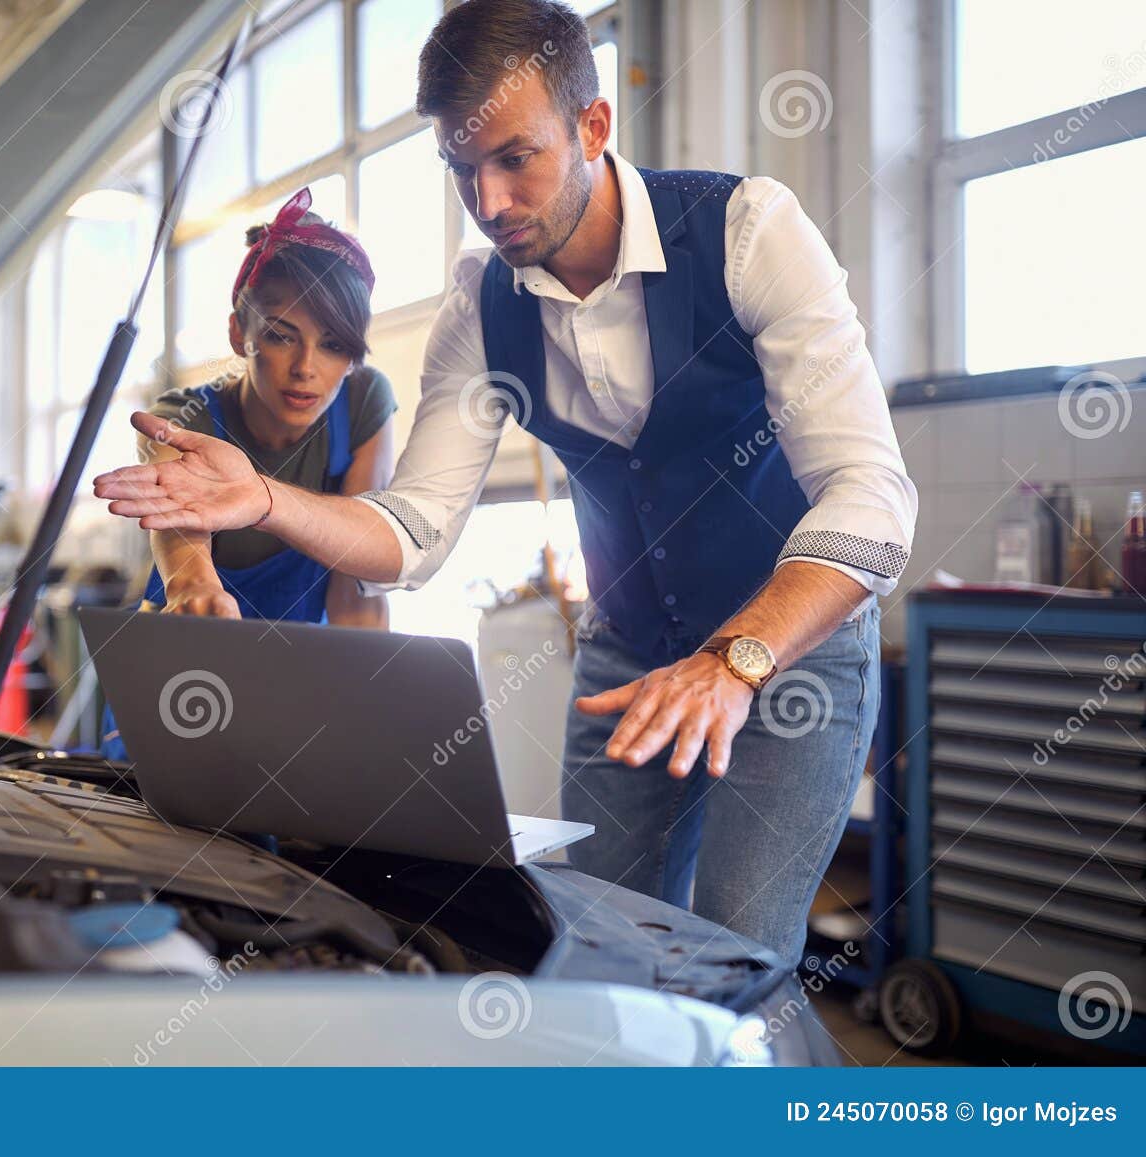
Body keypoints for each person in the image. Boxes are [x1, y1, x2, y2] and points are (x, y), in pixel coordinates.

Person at [94, 0, 916, 965]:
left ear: (593, 128)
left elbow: (872, 496)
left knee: (736, 956)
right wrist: (267, 499)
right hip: (629, 657)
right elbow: (418, 529)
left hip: (790, 648)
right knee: (595, 944)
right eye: (461, 167)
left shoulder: (747, 232)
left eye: (515, 158)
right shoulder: (481, 306)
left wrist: (736, 659)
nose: (487, 200)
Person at [98, 187, 396, 759]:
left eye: (333, 345)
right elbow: (187, 571)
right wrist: (196, 587)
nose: (307, 369)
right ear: (240, 333)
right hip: (179, 679)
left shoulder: (362, 405)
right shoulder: (180, 421)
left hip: (295, 684)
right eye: (282, 335)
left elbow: (355, 595)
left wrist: (370, 729)